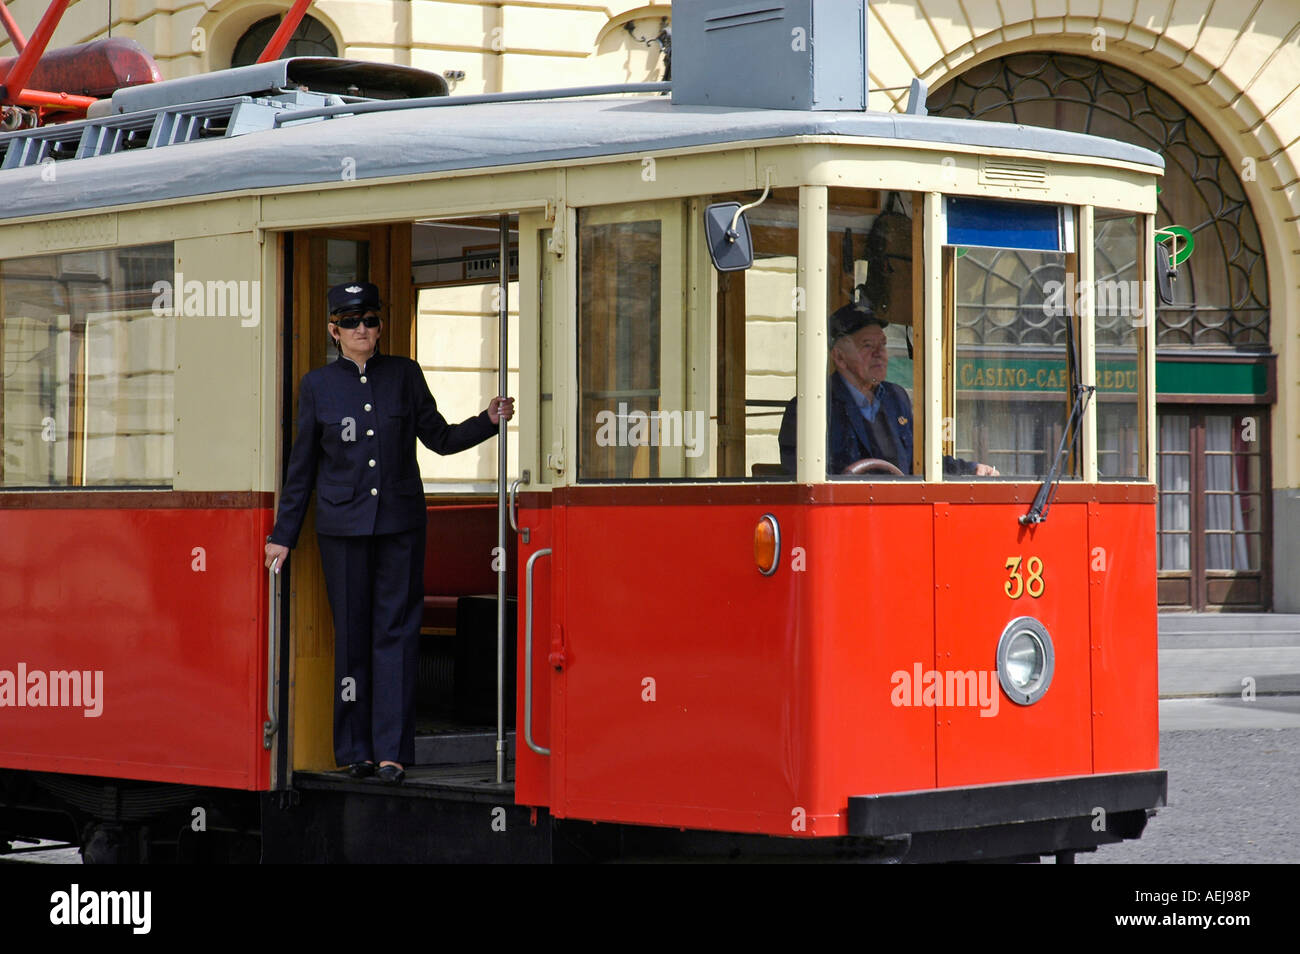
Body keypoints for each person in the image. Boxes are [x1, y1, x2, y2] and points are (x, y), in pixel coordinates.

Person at [263, 281, 515, 784]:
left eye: (371, 321)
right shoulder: (318, 386)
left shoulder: (404, 374)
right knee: (353, 639)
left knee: (396, 638)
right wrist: (283, 534)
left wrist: (486, 421)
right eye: (352, 322)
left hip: (400, 525)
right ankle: (355, 747)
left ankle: (392, 753)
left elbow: (439, 439)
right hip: (343, 529)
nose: (363, 329)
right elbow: (303, 466)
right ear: (334, 330)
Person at [778, 298, 998, 477]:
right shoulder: (810, 408)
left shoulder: (896, 397)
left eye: (882, 344)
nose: (880, 353)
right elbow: (806, 485)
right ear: (840, 358)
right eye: (867, 345)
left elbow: (921, 460)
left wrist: (969, 469)